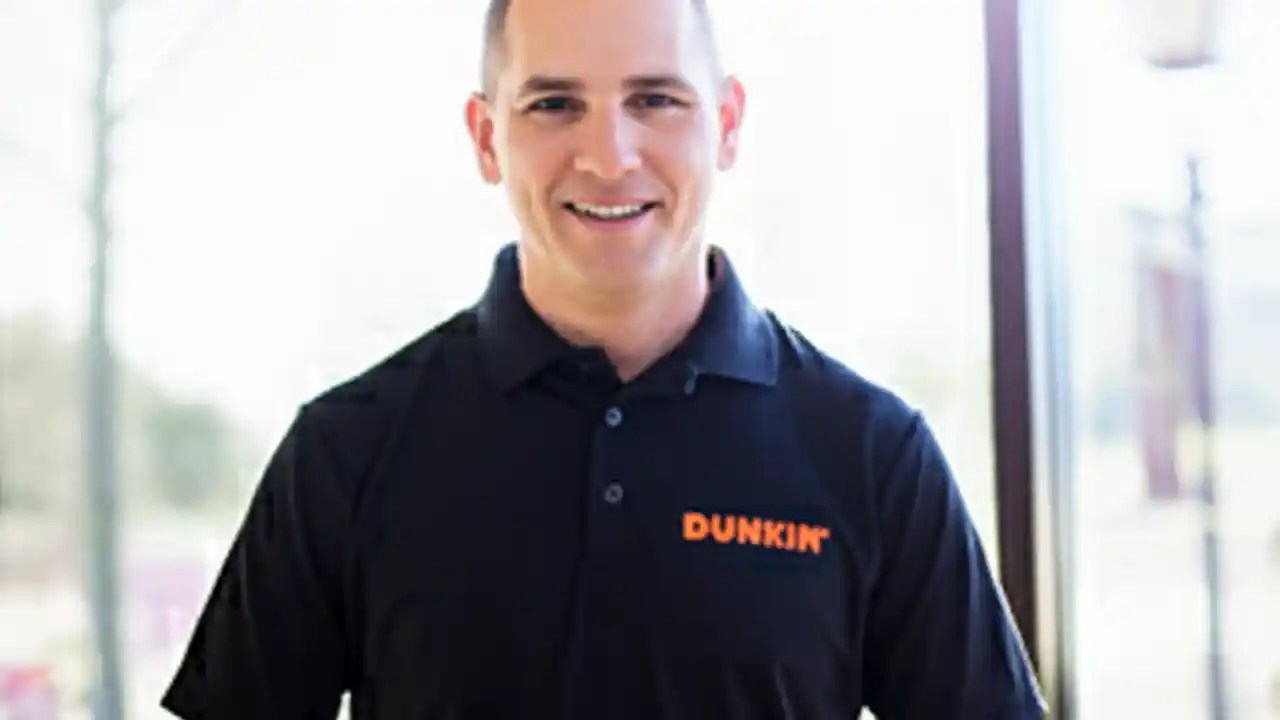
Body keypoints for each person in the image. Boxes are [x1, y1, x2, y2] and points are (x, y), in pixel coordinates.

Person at [162, 0, 1049, 717]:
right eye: (554, 105)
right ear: (484, 139)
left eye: (655, 99)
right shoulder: (345, 451)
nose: (608, 154)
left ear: (728, 124)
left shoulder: (870, 452)